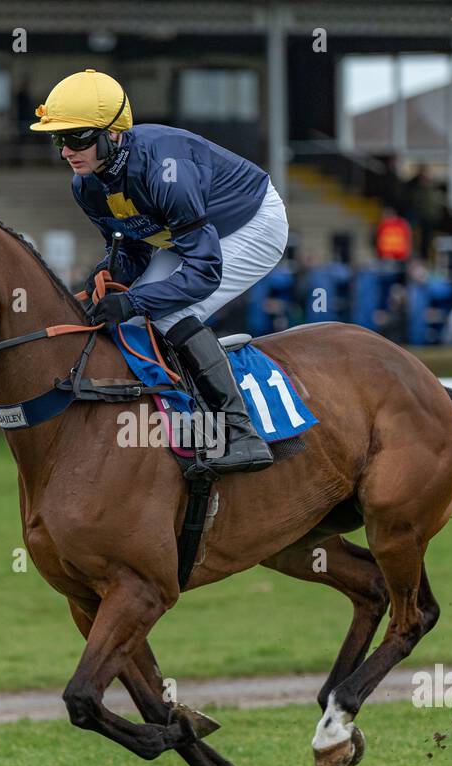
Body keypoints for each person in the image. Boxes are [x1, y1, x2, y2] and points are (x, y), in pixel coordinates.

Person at [29, 69, 284, 472]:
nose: (65, 151)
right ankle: (175, 418)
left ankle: (240, 433)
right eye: (59, 139)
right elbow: (132, 246)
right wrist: (107, 282)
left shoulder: (167, 171)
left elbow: (203, 274)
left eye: (77, 138)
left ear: (113, 133)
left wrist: (132, 301)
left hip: (252, 222)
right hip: (183, 235)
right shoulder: (86, 185)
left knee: (169, 312)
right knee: (130, 316)